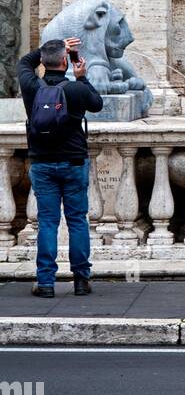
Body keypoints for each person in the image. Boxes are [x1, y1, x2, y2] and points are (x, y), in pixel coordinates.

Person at [17, 36, 103, 297]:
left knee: (48, 222)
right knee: (77, 220)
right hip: (74, 161)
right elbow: (97, 105)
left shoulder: (31, 85)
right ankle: (80, 280)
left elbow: (24, 61)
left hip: (42, 163)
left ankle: (45, 283)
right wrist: (82, 77)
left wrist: (53, 47)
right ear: (66, 62)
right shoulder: (76, 89)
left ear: (43, 62)